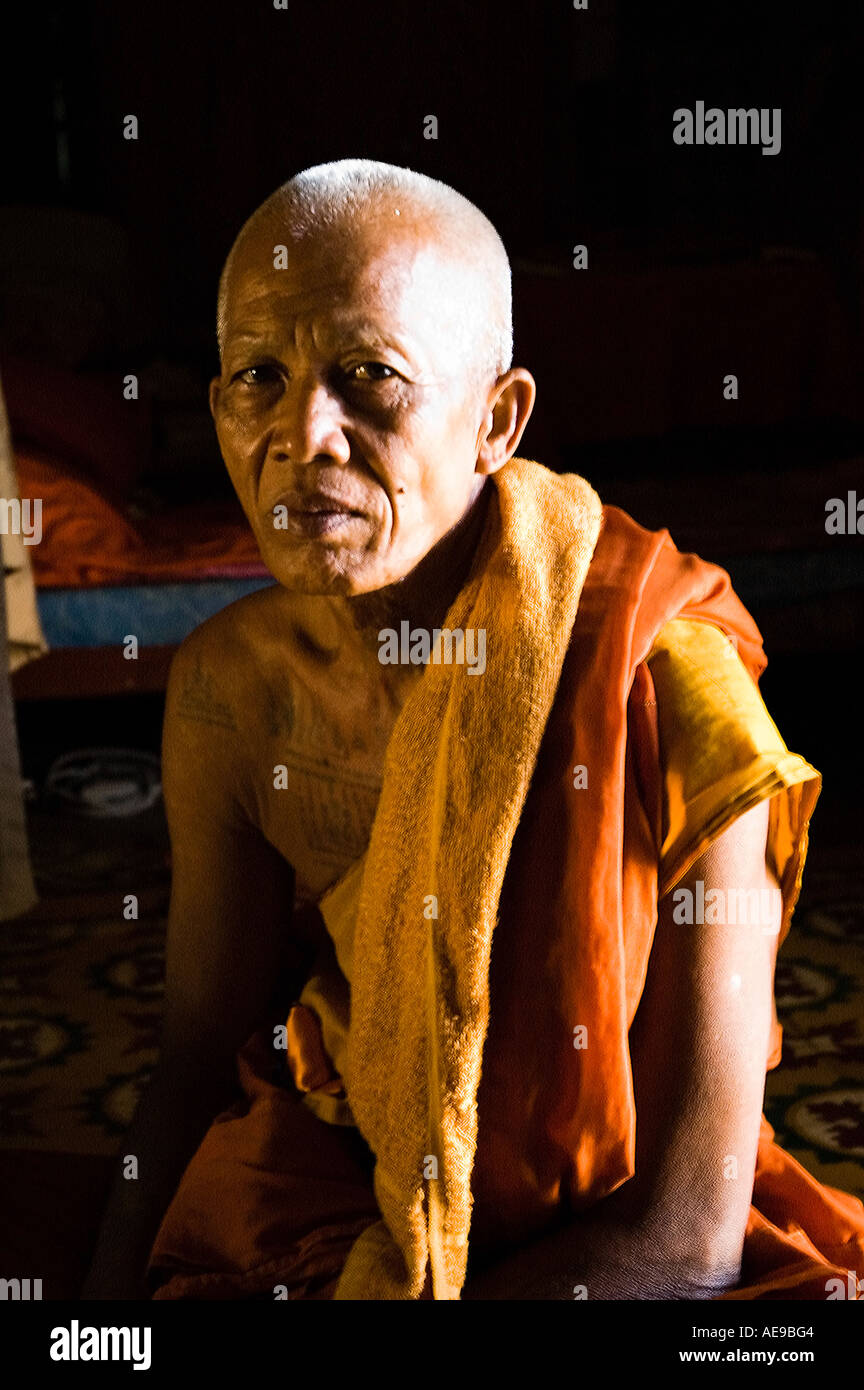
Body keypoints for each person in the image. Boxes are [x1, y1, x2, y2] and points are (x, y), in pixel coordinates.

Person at [83, 159, 864, 1301]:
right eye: (260, 376)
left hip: (611, 1240)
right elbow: (200, 1054)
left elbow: (688, 1233)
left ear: (499, 419)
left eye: (368, 377)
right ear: (218, 412)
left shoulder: (652, 670)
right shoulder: (233, 691)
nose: (307, 434)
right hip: (354, 1196)